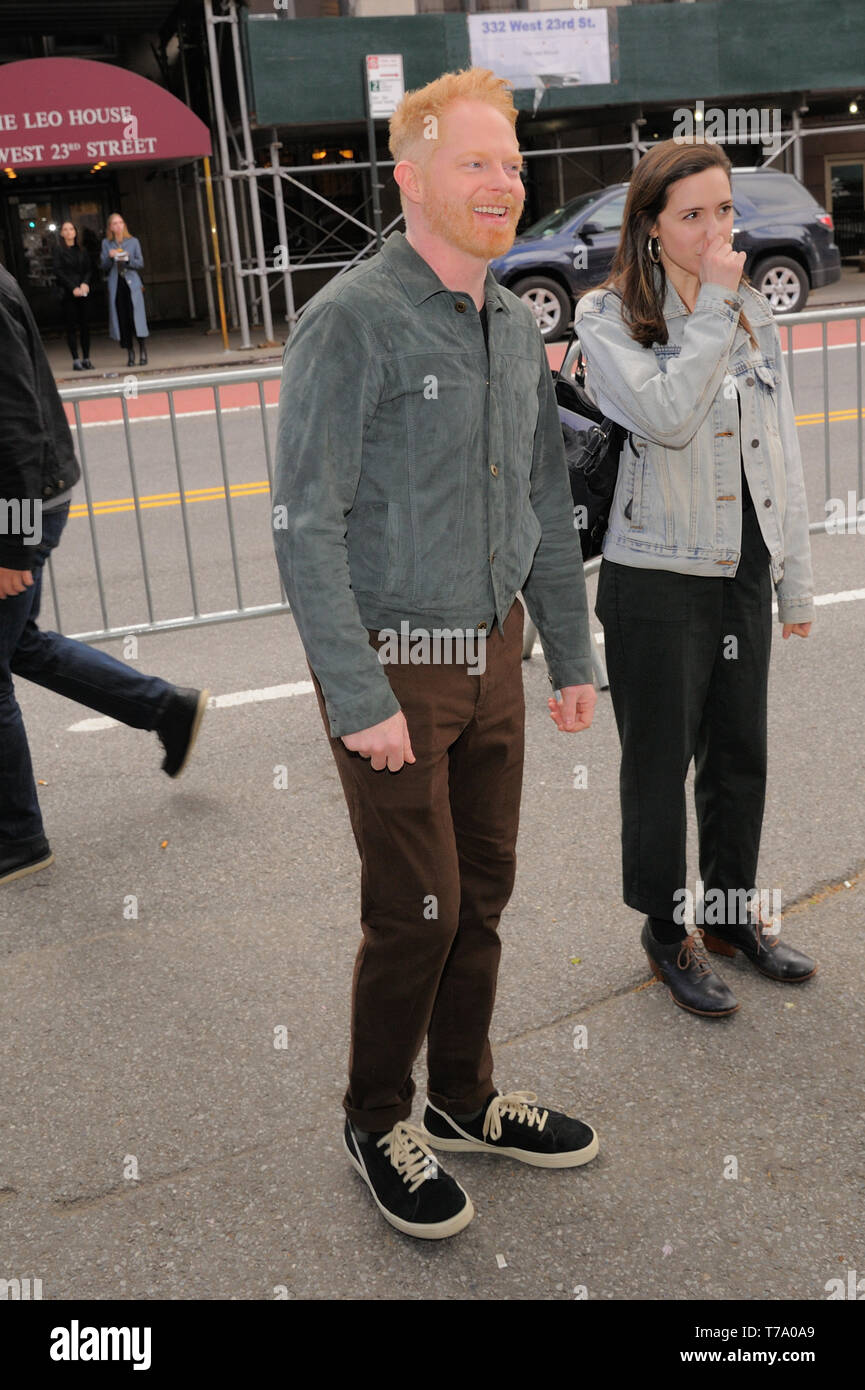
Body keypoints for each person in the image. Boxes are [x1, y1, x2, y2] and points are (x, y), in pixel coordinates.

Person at [273, 68, 600, 1243]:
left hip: (494, 653)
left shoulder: (514, 322)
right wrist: (357, 694)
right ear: (410, 175)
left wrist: (570, 655)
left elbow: (547, 501)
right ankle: (375, 1118)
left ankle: (462, 1098)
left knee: (486, 895)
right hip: (391, 661)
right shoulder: (350, 320)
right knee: (419, 907)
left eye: (511, 164)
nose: (502, 183)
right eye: (475, 162)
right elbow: (304, 521)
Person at [573, 138, 817, 1019]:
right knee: (656, 764)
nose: (716, 230)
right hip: (656, 578)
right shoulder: (605, 317)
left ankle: (726, 914)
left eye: (724, 211)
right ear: (648, 227)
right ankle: (663, 926)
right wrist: (713, 302)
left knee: (738, 752)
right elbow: (667, 415)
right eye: (692, 216)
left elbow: (777, 448)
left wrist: (792, 579)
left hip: (741, 566)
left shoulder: (751, 310)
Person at [0, 262, 207, 887]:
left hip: (20, 508)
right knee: (22, 645)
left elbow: (15, 424)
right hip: (24, 502)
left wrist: (12, 547)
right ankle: (164, 708)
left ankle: (18, 839)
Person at [100, 212, 149, 367]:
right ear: (110, 227)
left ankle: (142, 349)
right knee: (123, 319)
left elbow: (140, 263)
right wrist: (109, 256)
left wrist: (127, 259)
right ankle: (130, 352)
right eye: (114, 223)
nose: (118, 226)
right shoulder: (106, 243)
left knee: (137, 319)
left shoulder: (133, 241)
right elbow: (103, 266)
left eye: (120, 222)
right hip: (117, 284)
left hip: (132, 285)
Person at [52, 221, 93, 371]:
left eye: (71, 229)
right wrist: (72, 287)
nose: (69, 232)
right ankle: (76, 359)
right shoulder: (58, 250)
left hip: (83, 293)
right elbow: (58, 271)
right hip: (68, 294)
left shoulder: (82, 250)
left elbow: (89, 269)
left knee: (85, 326)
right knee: (71, 327)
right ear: (62, 233)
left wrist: (85, 283)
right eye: (65, 230)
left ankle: (87, 358)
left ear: (75, 232)